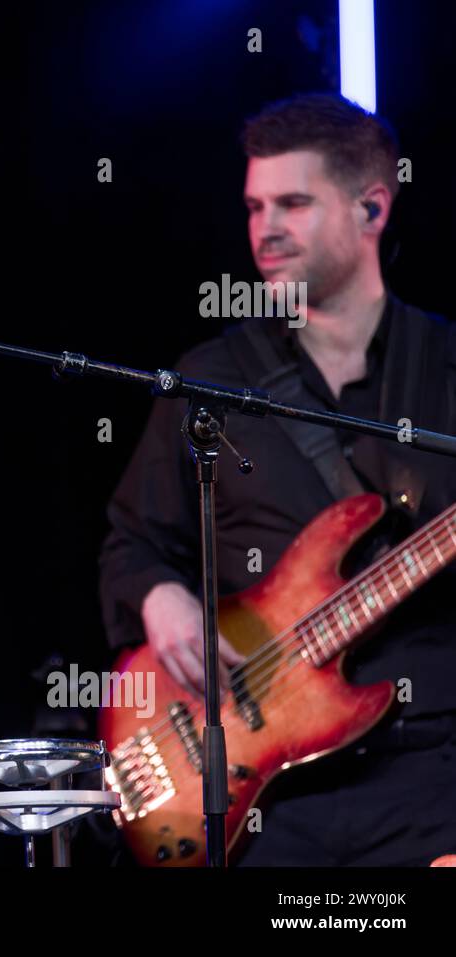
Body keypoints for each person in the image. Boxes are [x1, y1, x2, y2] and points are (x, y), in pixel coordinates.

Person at [99, 93, 456, 866]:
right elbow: (131, 547)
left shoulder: (447, 371)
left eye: (294, 203)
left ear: (372, 209)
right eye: (256, 205)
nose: (266, 230)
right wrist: (161, 601)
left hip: (429, 781)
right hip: (264, 800)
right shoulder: (213, 378)